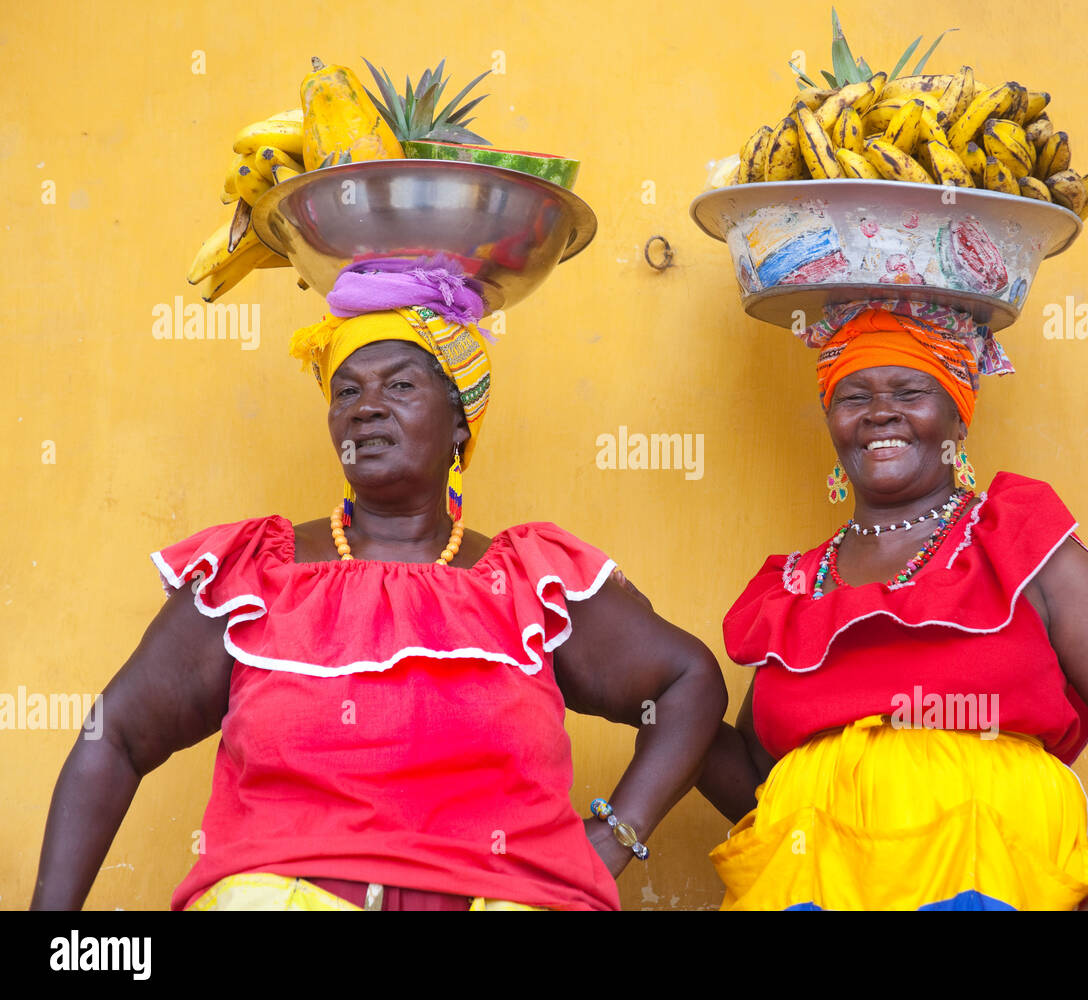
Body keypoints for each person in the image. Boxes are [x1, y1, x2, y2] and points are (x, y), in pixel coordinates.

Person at [32, 263, 726, 911]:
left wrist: (619, 835)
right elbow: (114, 735)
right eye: (347, 390)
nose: (366, 408)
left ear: (459, 420)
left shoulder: (528, 580)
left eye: (399, 386)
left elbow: (689, 679)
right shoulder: (256, 572)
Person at [696, 306, 1088, 911]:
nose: (880, 413)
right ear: (832, 421)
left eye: (910, 391)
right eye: (854, 396)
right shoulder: (797, 586)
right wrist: (668, 703)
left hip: (994, 884)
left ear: (958, 417)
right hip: (810, 890)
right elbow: (759, 778)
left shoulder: (1021, 544)